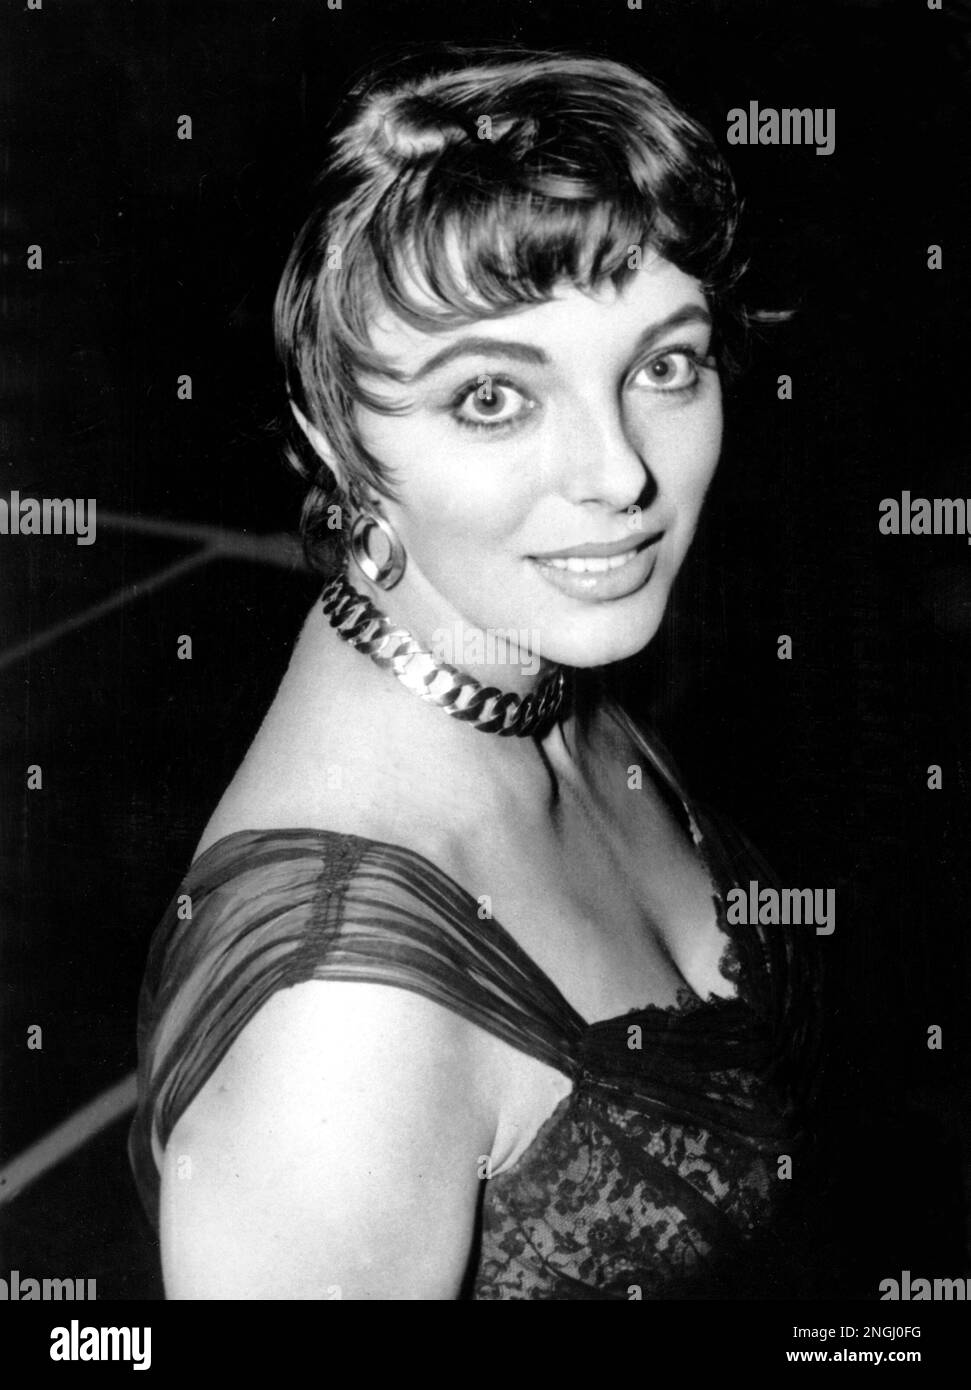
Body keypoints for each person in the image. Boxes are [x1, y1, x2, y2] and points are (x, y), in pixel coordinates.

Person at [128, 45, 819, 1300]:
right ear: (330, 432)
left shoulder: (536, 664)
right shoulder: (338, 1020)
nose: (618, 475)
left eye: (663, 365)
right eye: (493, 396)